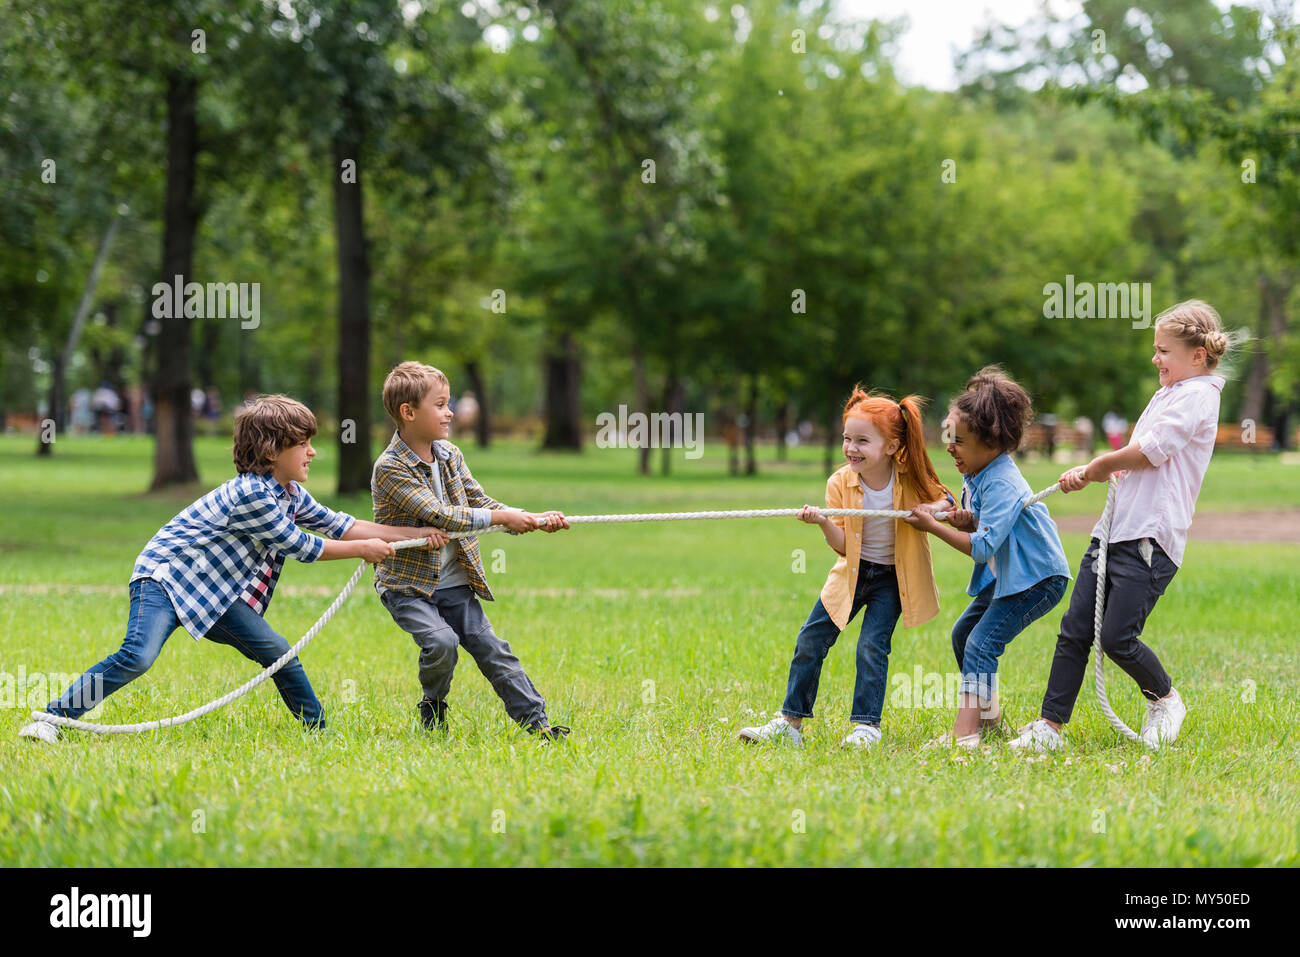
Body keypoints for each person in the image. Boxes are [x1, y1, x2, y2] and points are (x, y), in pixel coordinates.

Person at [18, 395, 447, 743]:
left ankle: (319, 734)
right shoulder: (253, 496)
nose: (313, 451)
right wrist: (363, 550)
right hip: (166, 579)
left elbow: (344, 524)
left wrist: (414, 531)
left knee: (280, 655)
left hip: (214, 594)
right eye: (303, 443)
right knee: (137, 656)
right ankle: (52, 718)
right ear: (271, 450)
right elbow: (301, 545)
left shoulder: (289, 491)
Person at [1010, 300, 1232, 752]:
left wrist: (1097, 465)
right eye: (1155, 349)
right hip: (1114, 532)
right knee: (1075, 629)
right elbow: (1143, 459)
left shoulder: (1199, 395)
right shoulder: (1170, 391)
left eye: (1164, 350)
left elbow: (1155, 449)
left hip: (1151, 538)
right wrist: (1108, 471)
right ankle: (1048, 729)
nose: (1155, 359)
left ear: (1197, 355)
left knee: (1116, 637)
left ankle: (1165, 699)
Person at [738, 388, 957, 750]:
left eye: (861, 440)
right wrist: (823, 522)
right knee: (811, 639)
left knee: (872, 647)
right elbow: (842, 546)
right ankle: (789, 724)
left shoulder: (907, 475)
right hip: (852, 575)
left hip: (891, 579)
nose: (851, 448)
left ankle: (865, 728)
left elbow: (946, 497)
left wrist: (931, 511)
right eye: (846, 439)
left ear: (889, 446)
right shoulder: (839, 483)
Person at [371, 361, 571, 740]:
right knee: (442, 642)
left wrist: (531, 518)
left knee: (493, 650)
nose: (450, 412)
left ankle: (538, 725)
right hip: (409, 586)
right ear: (408, 412)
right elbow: (439, 514)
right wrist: (505, 516)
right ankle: (433, 703)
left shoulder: (450, 455)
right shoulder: (390, 467)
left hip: (456, 582)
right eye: (441, 404)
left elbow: (479, 501)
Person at [902, 366, 1071, 748]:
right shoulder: (977, 471)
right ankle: (990, 720)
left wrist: (935, 528)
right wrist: (966, 520)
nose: (949, 447)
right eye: (948, 437)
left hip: (1037, 578)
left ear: (992, 443)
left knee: (982, 643)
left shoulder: (1001, 480)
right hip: (1011, 574)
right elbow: (987, 527)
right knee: (965, 634)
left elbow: (982, 547)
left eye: (958, 441)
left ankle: (965, 735)